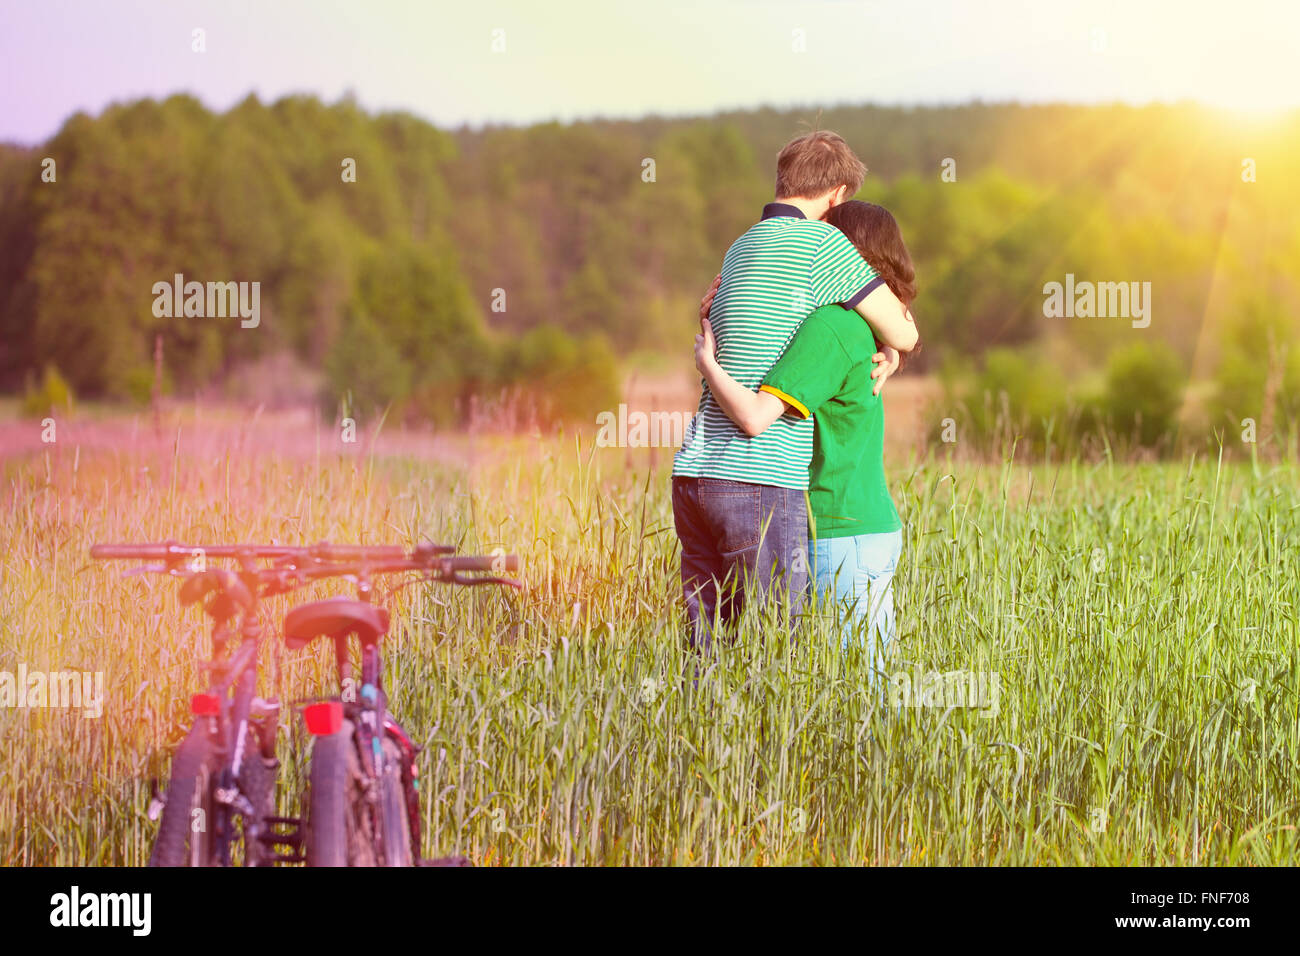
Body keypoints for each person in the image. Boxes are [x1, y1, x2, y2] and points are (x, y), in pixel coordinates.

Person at [671, 132, 918, 651]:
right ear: (837, 194)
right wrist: (893, 346)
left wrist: (706, 357)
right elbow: (906, 332)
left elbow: (732, 315)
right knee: (772, 655)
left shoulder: (741, 246)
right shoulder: (826, 249)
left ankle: (701, 733)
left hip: (694, 473)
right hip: (760, 480)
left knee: (708, 652)